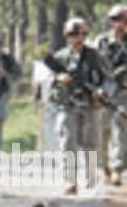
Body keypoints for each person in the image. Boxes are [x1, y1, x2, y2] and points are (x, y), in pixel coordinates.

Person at [48, 16, 112, 195]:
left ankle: (90, 176)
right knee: (67, 142)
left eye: (81, 34)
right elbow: (48, 83)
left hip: (90, 105)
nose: (77, 38)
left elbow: (108, 79)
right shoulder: (60, 57)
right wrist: (58, 79)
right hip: (67, 104)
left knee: (91, 142)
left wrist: (101, 91)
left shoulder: (95, 57)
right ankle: (70, 180)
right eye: (72, 34)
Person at [95, 4, 127, 185]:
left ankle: (117, 168)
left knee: (120, 129)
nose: (119, 24)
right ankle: (104, 165)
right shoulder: (102, 42)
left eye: (123, 20)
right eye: (115, 20)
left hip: (124, 92)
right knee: (102, 130)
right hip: (104, 91)